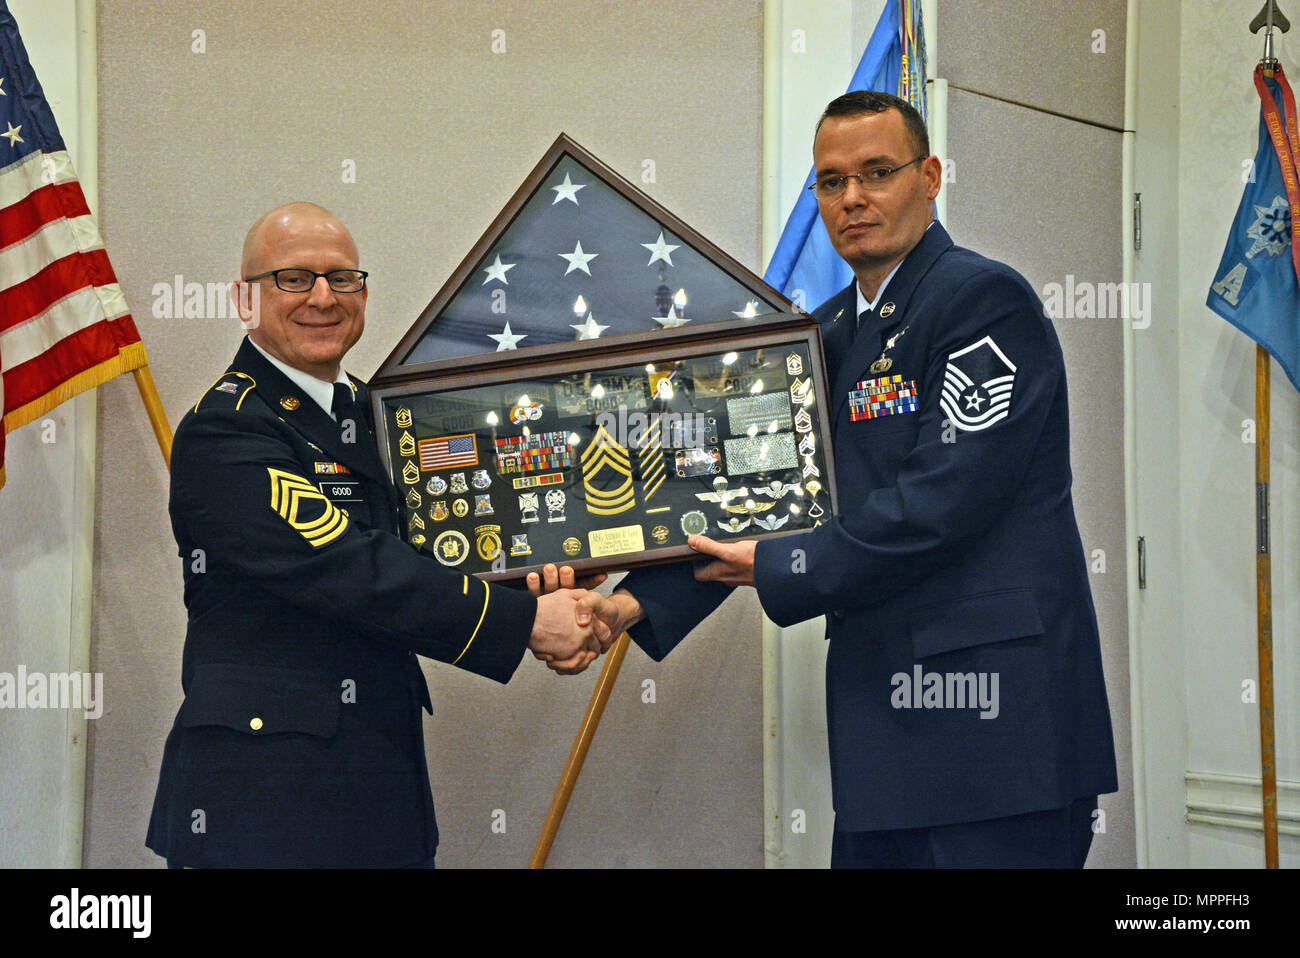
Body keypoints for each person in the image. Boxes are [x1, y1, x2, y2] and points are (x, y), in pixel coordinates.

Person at [550, 91, 1119, 867]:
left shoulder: (984, 303)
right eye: (830, 181)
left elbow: (940, 504)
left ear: (931, 176)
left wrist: (781, 563)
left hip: (998, 740)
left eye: (877, 172)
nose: (852, 198)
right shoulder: (819, 337)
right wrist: (626, 604)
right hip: (883, 747)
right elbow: (754, 501)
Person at [146, 202, 609, 868]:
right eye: (294, 278)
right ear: (244, 300)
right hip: (262, 801)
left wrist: (555, 559)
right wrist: (528, 622)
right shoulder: (228, 429)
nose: (324, 298)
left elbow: (441, 539)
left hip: (377, 780)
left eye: (344, 278)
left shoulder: (377, 413)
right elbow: (350, 568)